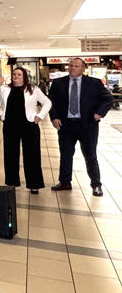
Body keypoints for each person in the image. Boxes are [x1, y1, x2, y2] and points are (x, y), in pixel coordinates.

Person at [49, 58, 113, 196]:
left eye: (76, 66)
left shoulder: (94, 83)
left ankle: (96, 184)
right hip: (66, 125)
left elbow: (108, 99)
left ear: (83, 68)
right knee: (65, 155)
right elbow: (51, 102)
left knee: (90, 155)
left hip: (88, 125)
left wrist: (99, 113)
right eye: (71, 66)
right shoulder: (58, 83)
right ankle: (65, 182)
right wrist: (54, 117)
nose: (73, 68)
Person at [0, 66, 51, 194]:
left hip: (29, 125)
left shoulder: (33, 89)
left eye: (19, 74)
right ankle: (11, 182)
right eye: (14, 74)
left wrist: (40, 116)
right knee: (10, 154)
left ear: (24, 77)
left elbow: (47, 102)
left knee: (32, 154)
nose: (16, 77)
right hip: (10, 125)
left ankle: (34, 184)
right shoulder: (4, 89)